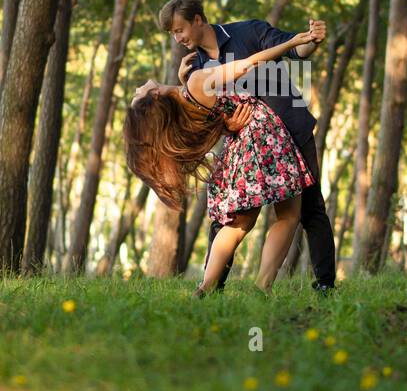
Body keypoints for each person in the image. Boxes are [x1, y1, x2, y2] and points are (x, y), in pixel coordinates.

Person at [157, 0, 336, 292]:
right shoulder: (196, 65)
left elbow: (296, 48)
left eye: (179, 30)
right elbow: (207, 120)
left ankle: (325, 286)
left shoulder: (247, 32)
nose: (177, 39)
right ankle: (212, 287)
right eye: (173, 34)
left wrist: (313, 39)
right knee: (230, 216)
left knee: (310, 209)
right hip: (246, 146)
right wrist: (228, 125)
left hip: (292, 128)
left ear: (198, 20)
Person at [124, 28, 320, 294]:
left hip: (240, 148)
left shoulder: (186, 103)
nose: (138, 88)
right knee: (288, 215)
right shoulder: (194, 84)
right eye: (139, 95)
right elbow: (247, 65)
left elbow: (187, 93)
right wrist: (290, 44)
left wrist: (184, 78)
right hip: (265, 136)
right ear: (155, 97)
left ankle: (206, 286)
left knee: (238, 224)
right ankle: (262, 287)